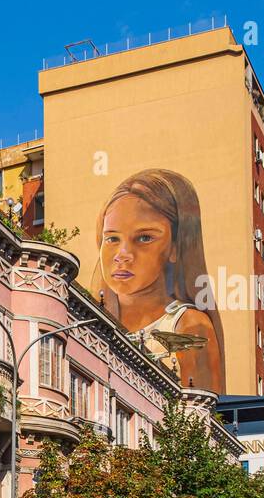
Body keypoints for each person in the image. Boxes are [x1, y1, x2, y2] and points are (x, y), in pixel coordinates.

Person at [89, 168, 225, 393]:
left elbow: (202, 420)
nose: (122, 254)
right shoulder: (88, 322)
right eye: (112, 238)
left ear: (175, 247)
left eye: (144, 238)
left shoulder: (190, 326)